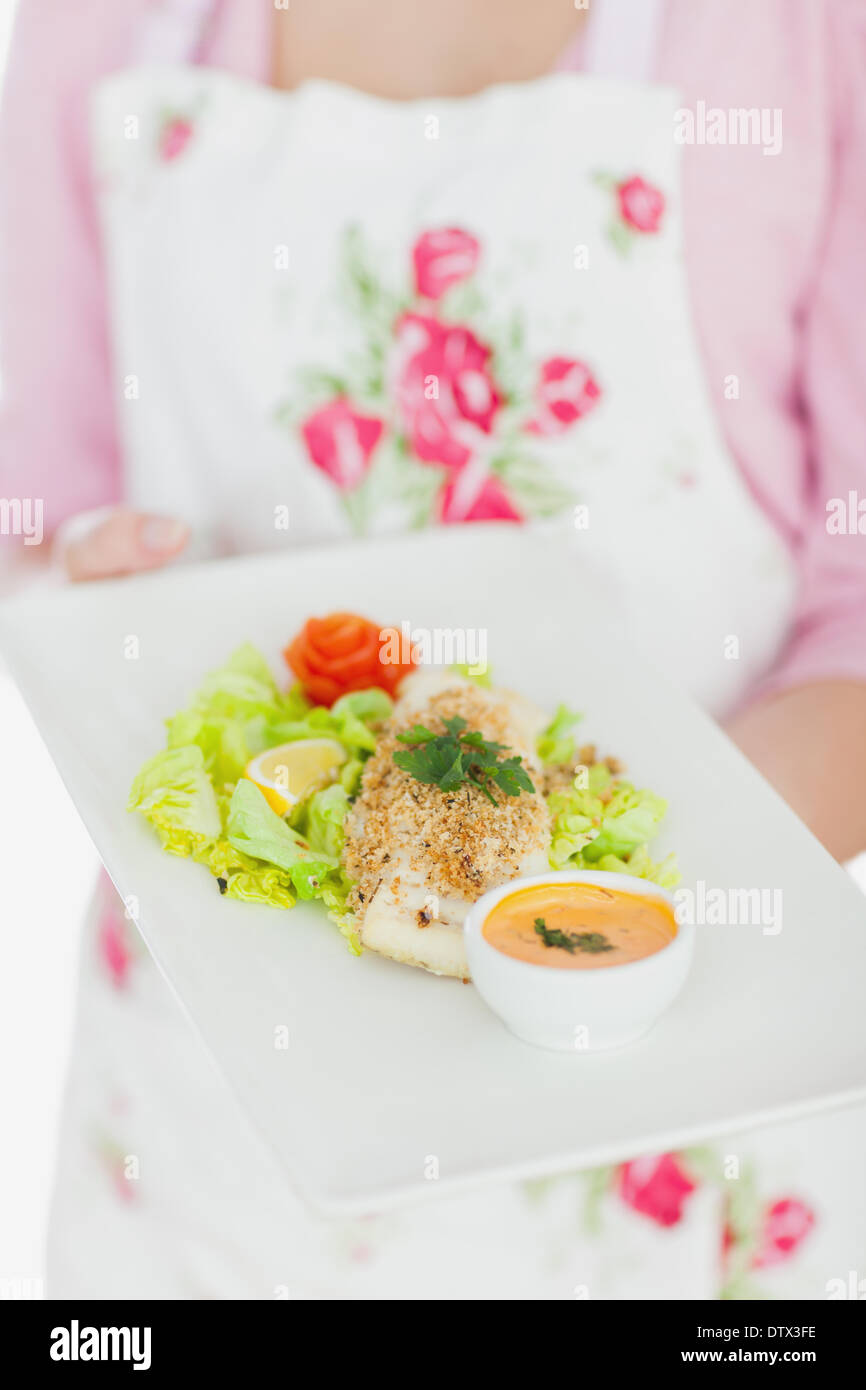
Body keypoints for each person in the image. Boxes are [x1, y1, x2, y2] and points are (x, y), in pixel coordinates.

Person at [1, 0, 865, 1299]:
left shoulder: (797, 40)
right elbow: (38, 507)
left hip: (679, 1133)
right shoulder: (107, 29)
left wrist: (592, 896)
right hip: (207, 1154)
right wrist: (86, 585)